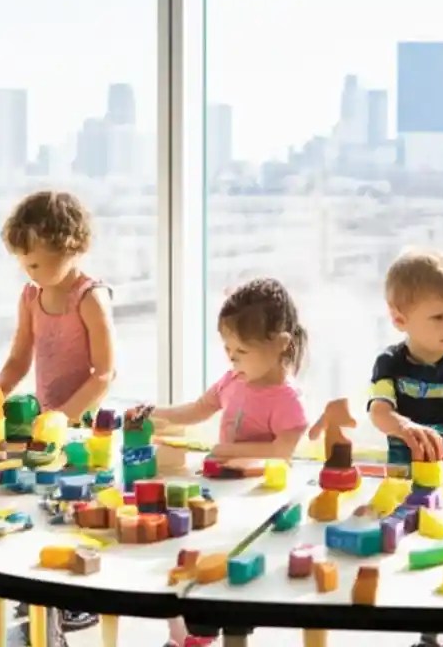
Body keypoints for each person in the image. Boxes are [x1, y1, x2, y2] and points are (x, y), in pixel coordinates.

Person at [127, 277, 310, 647]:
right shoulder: (233, 379)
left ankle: (210, 633)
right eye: (228, 349)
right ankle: (186, 635)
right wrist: (154, 413)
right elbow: (197, 409)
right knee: (187, 558)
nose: (231, 358)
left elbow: (283, 452)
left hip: (257, 500)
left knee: (223, 573)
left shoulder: (286, 398)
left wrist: (230, 450)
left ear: (280, 344)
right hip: (220, 488)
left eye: (240, 350)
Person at [0, 190, 115, 638]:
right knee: (41, 507)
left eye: (36, 263)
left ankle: (78, 599)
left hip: (81, 427)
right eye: (24, 264)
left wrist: (64, 418)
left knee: (78, 512)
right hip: (46, 426)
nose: (30, 272)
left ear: (70, 247)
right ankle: (42, 597)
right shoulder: (31, 296)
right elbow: (18, 360)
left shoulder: (89, 297)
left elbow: (105, 373)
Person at [365, 247, 443, 647]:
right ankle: (428, 637)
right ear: (400, 319)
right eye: (438, 316)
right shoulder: (389, 364)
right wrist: (404, 425)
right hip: (404, 483)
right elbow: (380, 410)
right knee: (414, 558)